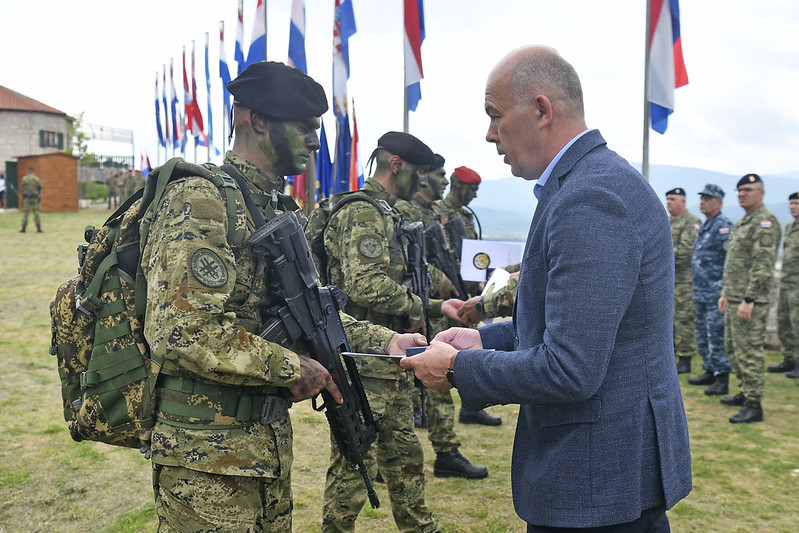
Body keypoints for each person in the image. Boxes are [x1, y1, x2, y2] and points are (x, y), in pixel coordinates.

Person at [401, 45, 692, 530]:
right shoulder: (587, 182)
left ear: (541, 110)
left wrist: (457, 368)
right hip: (605, 474)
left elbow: (570, 368)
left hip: (597, 482)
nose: (489, 133)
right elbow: (574, 323)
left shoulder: (590, 197)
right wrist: (486, 340)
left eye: (495, 115)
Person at [139, 61, 425, 532]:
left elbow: (309, 314)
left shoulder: (273, 207)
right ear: (256, 119)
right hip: (204, 459)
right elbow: (182, 330)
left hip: (263, 447)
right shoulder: (202, 198)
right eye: (305, 127)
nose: (315, 141)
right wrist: (294, 368)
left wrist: (385, 342)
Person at [322, 132, 463, 532]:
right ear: (396, 165)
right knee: (355, 465)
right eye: (419, 172)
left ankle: (420, 527)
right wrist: (418, 306)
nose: (423, 182)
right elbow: (364, 284)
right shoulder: (363, 212)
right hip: (361, 361)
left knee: (404, 456)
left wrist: (435, 306)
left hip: (391, 357)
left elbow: (397, 280)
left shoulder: (388, 213)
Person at [395, 153, 489, 480]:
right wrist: (441, 281)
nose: (442, 181)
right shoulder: (405, 210)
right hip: (419, 303)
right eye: (438, 175)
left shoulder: (439, 213)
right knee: (429, 380)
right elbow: (409, 263)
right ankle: (442, 451)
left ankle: (444, 450)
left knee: (437, 380)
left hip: (439, 304)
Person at [434, 165, 502, 427]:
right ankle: (436, 419)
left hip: (469, 292)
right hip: (448, 293)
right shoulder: (438, 213)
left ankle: (471, 407)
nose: (474, 195)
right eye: (472, 189)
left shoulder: (465, 216)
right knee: (444, 354)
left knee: (472, 352)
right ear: (458, 185)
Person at [718, 173, 781, 423]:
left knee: (749, 351)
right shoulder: (746, 221)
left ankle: (754, 404)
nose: (742, 194)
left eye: (748, 190)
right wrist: (726, 294)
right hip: (735, 297)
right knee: (734, 349)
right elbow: (735, 263)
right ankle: (745, 392)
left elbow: (763, 265)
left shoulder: (765, 221)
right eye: (740, 190)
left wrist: (749, 298)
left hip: (749, 301)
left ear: (761, 193)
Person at [687, 184, 734, 395]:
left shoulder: (723, 226)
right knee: (702, 334)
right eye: (702, 198)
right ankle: (709, 369)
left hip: (716, 292)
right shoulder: (706, 225)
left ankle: (722, 377)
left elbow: (730, 260)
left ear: (719, 202)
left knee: (716, 335)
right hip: (701, 291)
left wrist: (725, 291)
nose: (703, 202)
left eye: (708, 198)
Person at [666, 187, 700, 374]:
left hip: (685, 281)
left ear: (683, 202)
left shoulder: (691, 221)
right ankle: (670, 356)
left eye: (673, 199)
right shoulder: (668, 221)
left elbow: (686, 251)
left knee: (683, 319)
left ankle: (685, 358)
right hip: (669, 281)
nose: (669, 202)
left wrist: (660, 257)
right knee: (669, 320)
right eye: (668, 199)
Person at [773, 192, 799, 378]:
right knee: (785, 324)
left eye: (796, 204)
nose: (793, 207)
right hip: (786, 282)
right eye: (791, 204)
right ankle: (789, 358)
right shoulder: (790, 227)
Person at [19, 167, 42, 233]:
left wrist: (25, 192)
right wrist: (38, 194)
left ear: (28, 172)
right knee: (36, 213)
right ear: (33, 172)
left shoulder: (24, 179)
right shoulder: (36, 179)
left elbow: (21, 187)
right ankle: (38, 228)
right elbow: (40, 187)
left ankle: (23, 228)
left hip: (26, 198)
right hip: (35, 198)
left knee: (25, 213)